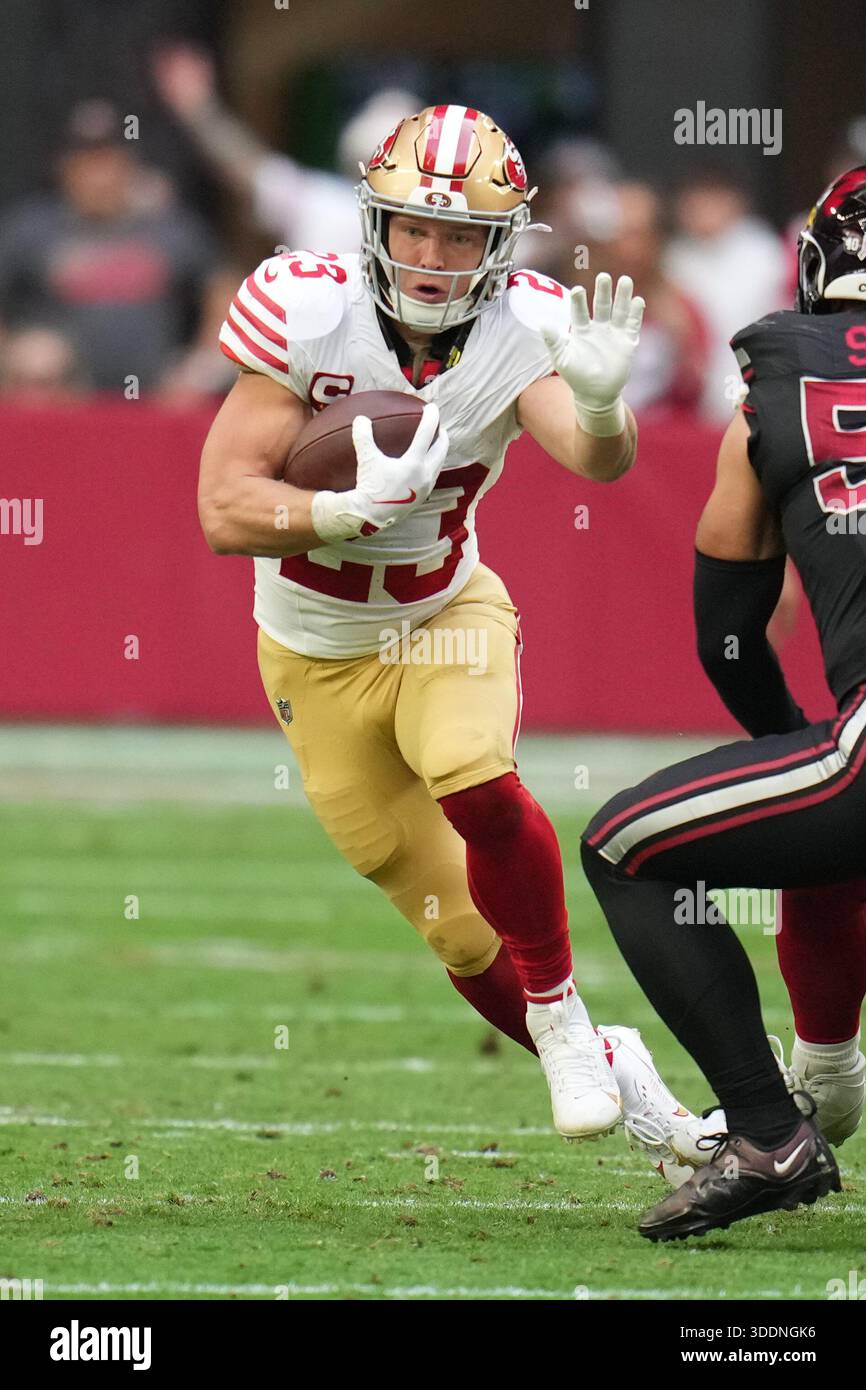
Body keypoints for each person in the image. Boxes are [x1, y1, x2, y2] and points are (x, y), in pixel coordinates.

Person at [198, 102, 707, 1174]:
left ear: (500, 240)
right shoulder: (304, 308)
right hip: (310, 655)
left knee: (473, 777)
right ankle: (633, 1085)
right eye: (414, 229)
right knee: (458, 933)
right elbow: (222, 507)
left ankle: (565, 1020)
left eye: (462, 235)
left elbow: (591, 459)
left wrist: (607, 407)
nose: (434, 256)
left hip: (440, 615)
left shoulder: (526, 319)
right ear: (373, 223)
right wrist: (336, 513)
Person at [579, 166, 866, 1240]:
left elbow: (727, 632)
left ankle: (767, 1134)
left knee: (622, 844)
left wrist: (803, 745)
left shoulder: (779, 390)